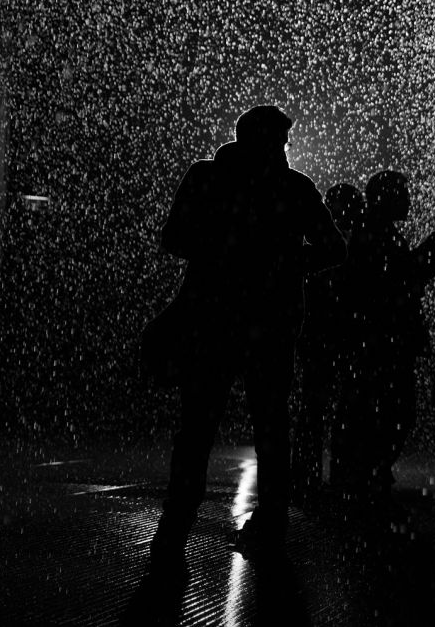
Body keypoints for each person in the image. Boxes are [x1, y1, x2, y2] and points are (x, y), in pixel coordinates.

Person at [145, 105, 346, 563]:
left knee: (197, 424)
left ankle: (175, 526)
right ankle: (271, 518)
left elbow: (173, 238)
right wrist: (283, 266)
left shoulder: (206, 179)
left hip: (211, 320)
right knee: (271, 423)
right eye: (282, 141)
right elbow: (335, 248)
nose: (286, 149)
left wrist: (221, 254)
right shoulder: (293, 189)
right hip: (272, 324)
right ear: (271, 142)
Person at [335, 170, 435, 513]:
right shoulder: (376, 234)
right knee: (393, 411)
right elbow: (411, 270)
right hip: (382, 341)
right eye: (402, 193)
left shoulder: (375, 232)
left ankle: (365, 479)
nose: (408, 199)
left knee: (383, 410)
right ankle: (367, 480)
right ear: (386, 197)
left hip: (378, 340)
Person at [290, 182, 365, 510]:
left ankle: (306, 477)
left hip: (321, 335)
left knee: (315, 408)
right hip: (337, 336)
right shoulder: (352, 244)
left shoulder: (327, 243)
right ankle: (333, 478)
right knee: (336, 408)